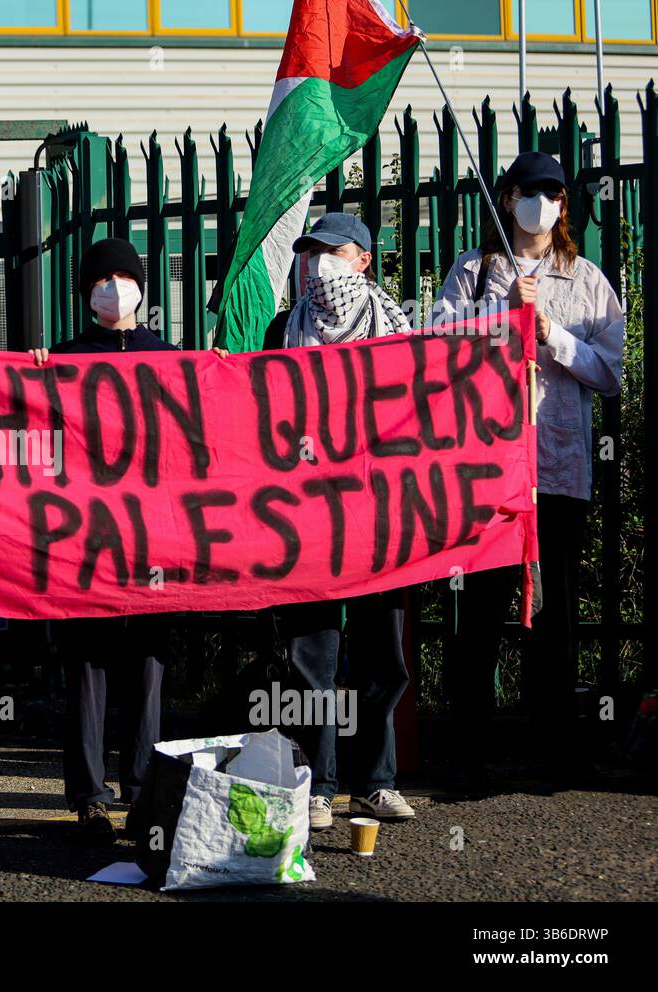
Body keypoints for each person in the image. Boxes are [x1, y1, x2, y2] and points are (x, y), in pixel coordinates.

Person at [431, 152, 624, 780]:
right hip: (487, 471)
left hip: (559, 471)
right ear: (508, 200)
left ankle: (555, 753)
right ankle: (467, 751)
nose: (540, 203)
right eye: (527, 191)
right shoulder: (471, 272)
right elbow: (439, 351)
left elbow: (611, 373)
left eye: (552, 193)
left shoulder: (587, 279)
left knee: (554, 614)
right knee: (480, 611)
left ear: (563, 206)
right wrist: (501, 316)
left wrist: (551, 336)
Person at [27, 237, 226, 843]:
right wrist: (29, 375)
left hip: (152, 540)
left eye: (124, 275)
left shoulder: (168, 358)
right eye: (102, 278)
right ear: (85, 293)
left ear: (142, 285)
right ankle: (90, 795)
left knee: (146, 666)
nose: (114, 287)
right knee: (85, 666)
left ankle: (143, 789)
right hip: (83, 539)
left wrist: (217, 375)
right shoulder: (61, 358)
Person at [266, 213, 416, 831]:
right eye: (311, 252)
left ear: (363, 260)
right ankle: (319, 784)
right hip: (310, 519)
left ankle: (375, 781)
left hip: (382, 515)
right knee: (312, 659)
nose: (318, 262)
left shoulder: (397, 329)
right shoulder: (284, 330)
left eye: (333, 251)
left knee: (383, 654)